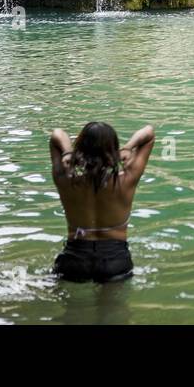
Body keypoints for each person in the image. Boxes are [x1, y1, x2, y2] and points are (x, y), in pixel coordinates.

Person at [49, 121, 155, 282]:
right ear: (113, 150)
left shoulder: (65, 179)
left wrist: (68, 153)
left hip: (74, 259)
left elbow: (56, 135)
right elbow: (149, 134)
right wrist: (128, 147)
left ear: (80, 149)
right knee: (111, 307)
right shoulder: (127, 179)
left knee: (71, 306)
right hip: (115, 260)